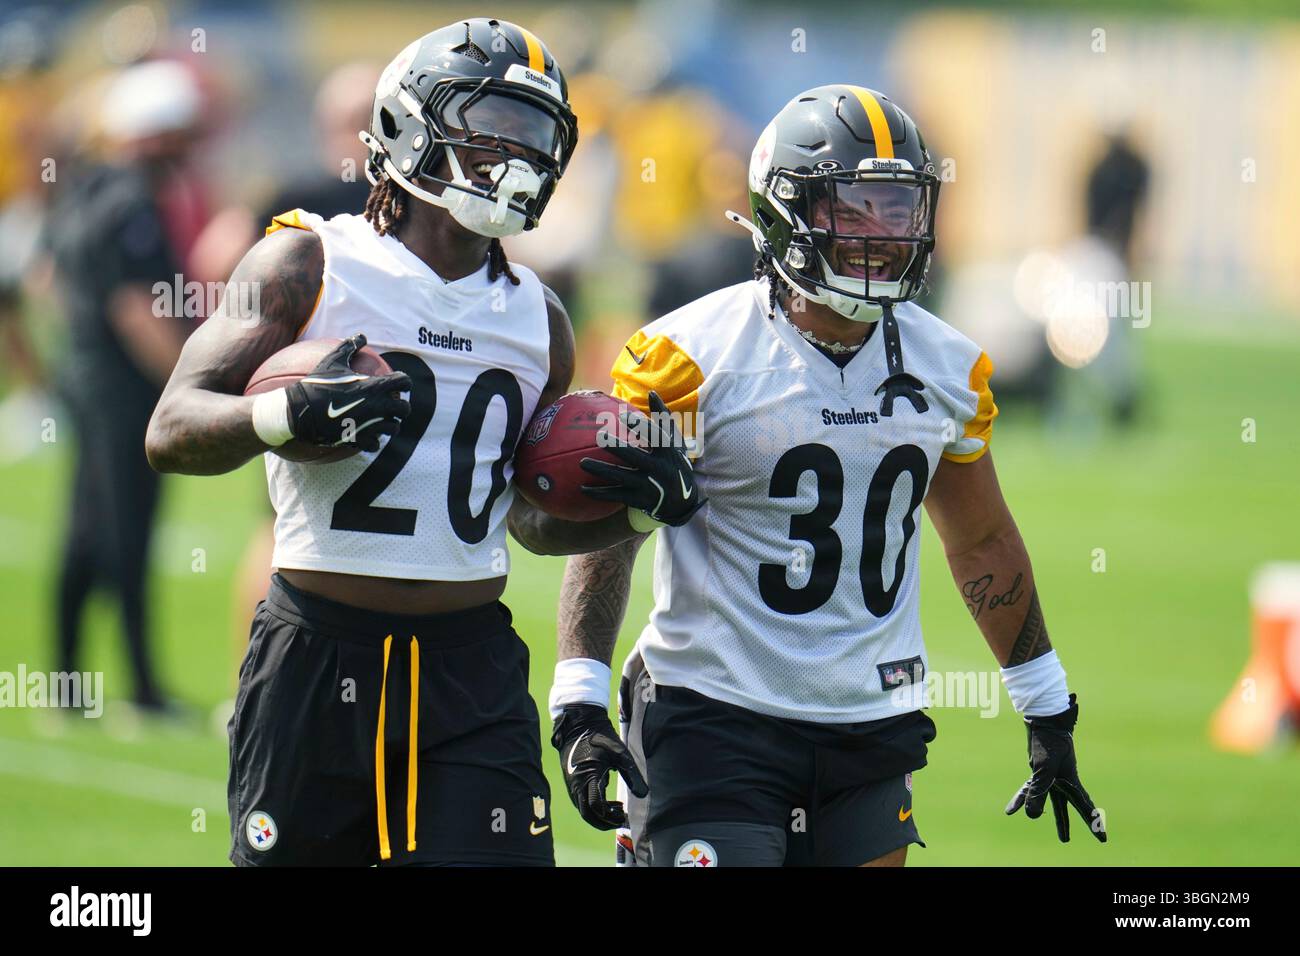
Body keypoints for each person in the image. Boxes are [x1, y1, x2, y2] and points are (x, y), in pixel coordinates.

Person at [509, 86, 1107, 866]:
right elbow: (608, 533)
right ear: (785, 213)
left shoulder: (949, 367)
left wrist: (1045, 703)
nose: (882, 235)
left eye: (899, 210)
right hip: (710, 715)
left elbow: (982, 539)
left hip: (869, 722)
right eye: (853, 209)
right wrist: (581, 697)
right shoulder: (689, 358)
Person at [146, 19, 581, 866]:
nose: (515, 155)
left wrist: (629, 499)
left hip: (473, 671)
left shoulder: (542, 318)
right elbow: (172, 426)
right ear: (409, 127)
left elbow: (528, 521)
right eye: (492, 125)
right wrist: (282, 417)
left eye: (533, 134)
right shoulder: (304, 263)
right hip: (315, 654)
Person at [46, 59, 199, 713]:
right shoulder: (134, 201)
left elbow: (44, 280)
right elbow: (138, 309)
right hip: (128, 388)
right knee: (127, 533)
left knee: (85, 530)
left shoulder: (82, 188)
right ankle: (140, 687)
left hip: (84, 378)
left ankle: (68, 685)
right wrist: (189, 385)